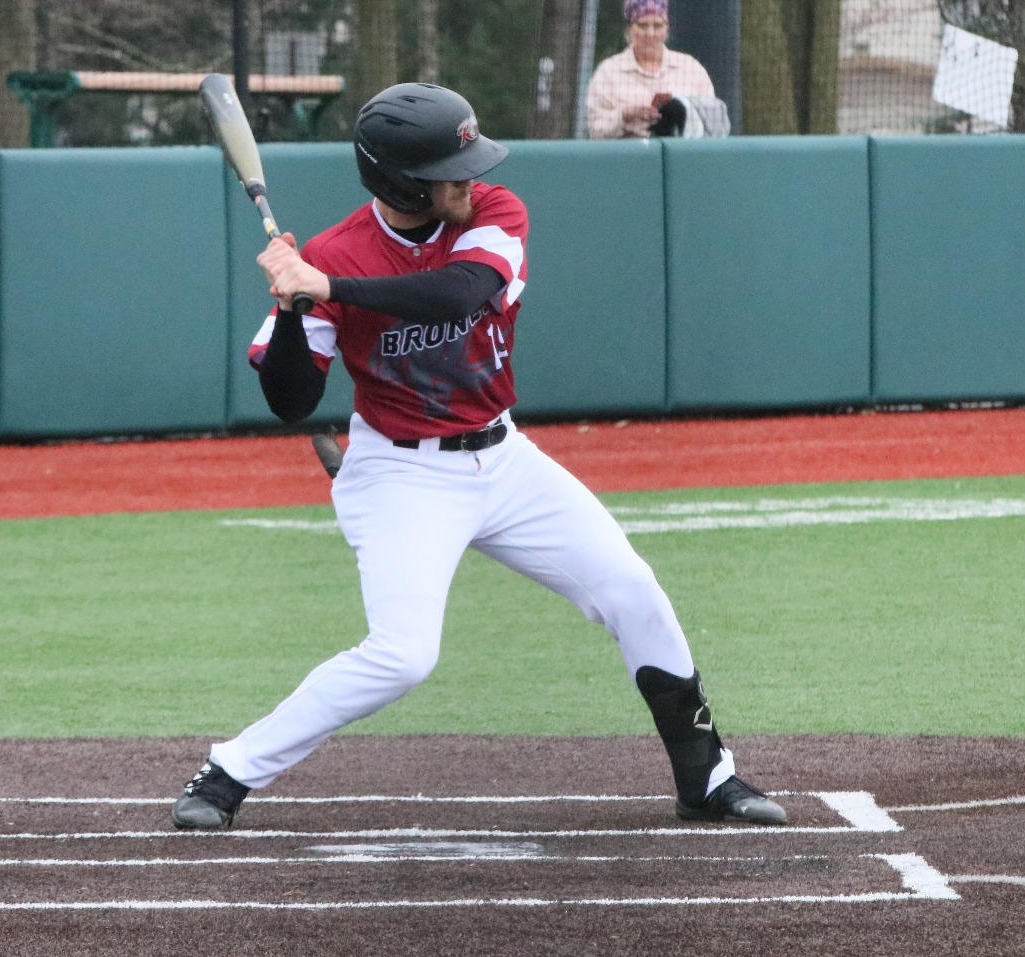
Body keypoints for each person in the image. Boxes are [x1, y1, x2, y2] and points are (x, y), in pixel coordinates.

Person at [169, 83, 783, 832]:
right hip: (400, 472)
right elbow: (292, 399)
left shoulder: (493, 214)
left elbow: (461, 293)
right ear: (400, 181)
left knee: (633, 589)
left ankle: (707, 778)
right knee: (403, 656)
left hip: (505, 456)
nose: (470, 176)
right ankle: (229, 770)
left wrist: (326, 284)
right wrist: (296, 305)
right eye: (450, 168)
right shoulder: (331, 254)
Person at [583, 0, 730, 140]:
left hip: (681, 158)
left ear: (667, 29)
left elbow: (714, 123)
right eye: (642, 25)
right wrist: (624, 116)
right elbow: (595, 131)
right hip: (627, 159)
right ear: (629, 29)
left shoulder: (691, 69)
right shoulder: (608, 72)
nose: (650, 33)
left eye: (658, 26)